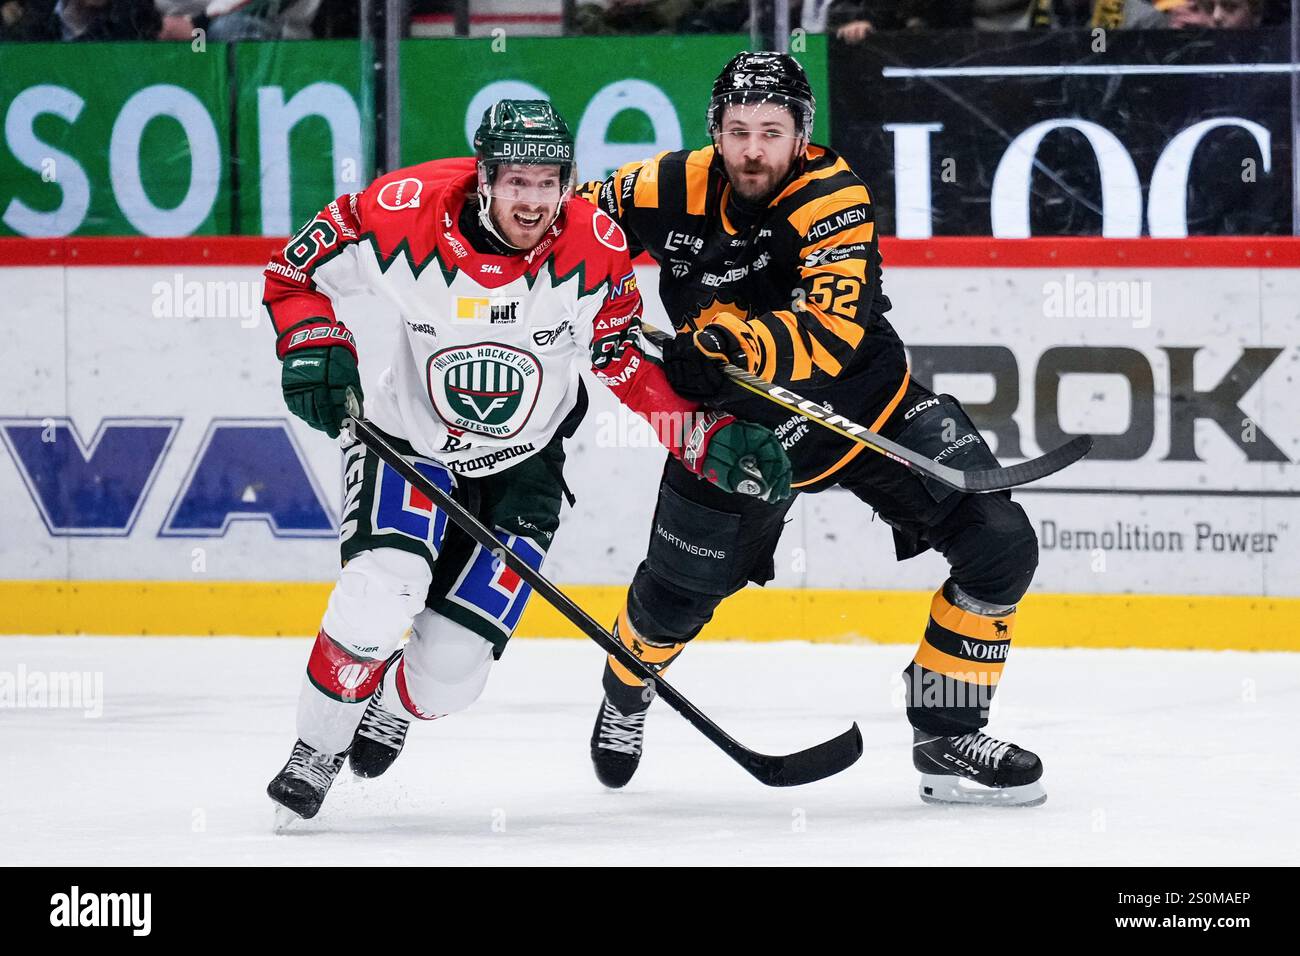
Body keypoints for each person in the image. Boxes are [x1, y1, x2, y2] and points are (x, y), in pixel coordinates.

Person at [260, 99, 792, 821]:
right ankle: (316, 748)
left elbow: (623, 362)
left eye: (549, 183)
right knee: (378, 592)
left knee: (449, 679)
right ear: (484, 179)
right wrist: (313, 343)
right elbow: (294, 275)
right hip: (409, 446)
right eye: (517, 182)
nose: (534, 201)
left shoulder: (594, 246)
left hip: (524, 467)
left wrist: (702, 435)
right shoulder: (399, 211)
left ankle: (388, 700)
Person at [575, 52, 1046, 806]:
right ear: (714, 133)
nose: (753, 149)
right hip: (739, 433)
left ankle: (946, 731)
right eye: (737, 131)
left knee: (999, 543)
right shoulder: (664, 186)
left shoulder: (832, 195)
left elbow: (829, 327)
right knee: (674, 598)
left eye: (771, 130)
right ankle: (629, 686)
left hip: (864, 405)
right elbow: (564, 230)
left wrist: (729, 342)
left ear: (802, 134)